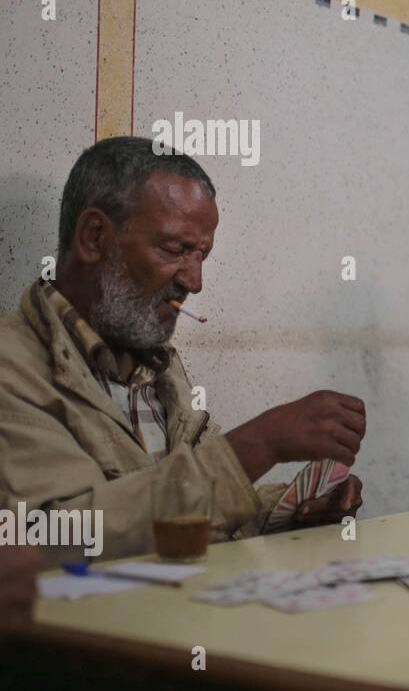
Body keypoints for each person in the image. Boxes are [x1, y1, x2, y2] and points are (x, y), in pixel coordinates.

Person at [0, 137, 365, 561]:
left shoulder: (155, 365)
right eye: (175, 250)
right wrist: (259, 445)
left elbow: (175, 502)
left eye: (202, 256)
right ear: (95, 237)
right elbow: (60, 538)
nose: (194, 282)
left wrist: (289, 509)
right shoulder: (14, 367)